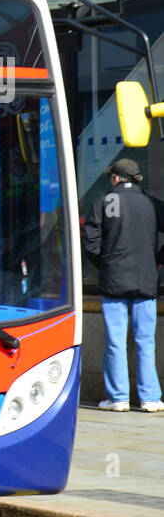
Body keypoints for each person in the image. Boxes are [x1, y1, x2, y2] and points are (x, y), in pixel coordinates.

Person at [81, 158, 164, 412]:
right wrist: (158, 260)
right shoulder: (152, 204)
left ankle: (118, 398)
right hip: (146, 282)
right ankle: (150, 398)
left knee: (115, 341)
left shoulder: (105, 202)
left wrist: (105, 263)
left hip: (114, 282)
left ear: (116, 178)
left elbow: (90, 240)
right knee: (145, 341)